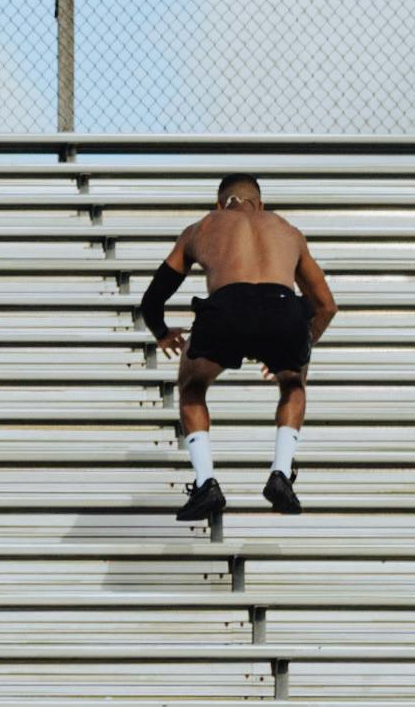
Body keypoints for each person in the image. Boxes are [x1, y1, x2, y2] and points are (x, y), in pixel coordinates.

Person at [135, 175, 333, 527]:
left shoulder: (202, 228)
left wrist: (163, 333)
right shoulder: (288, 231)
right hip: (283, 309)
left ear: (219, 204)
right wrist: (299, 348)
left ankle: (206, 483)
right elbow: (326, 307)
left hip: (227, 309)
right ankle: (281, 473)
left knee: (192, 388)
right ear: (261, 204)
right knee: (294, 384)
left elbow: (152, 300)